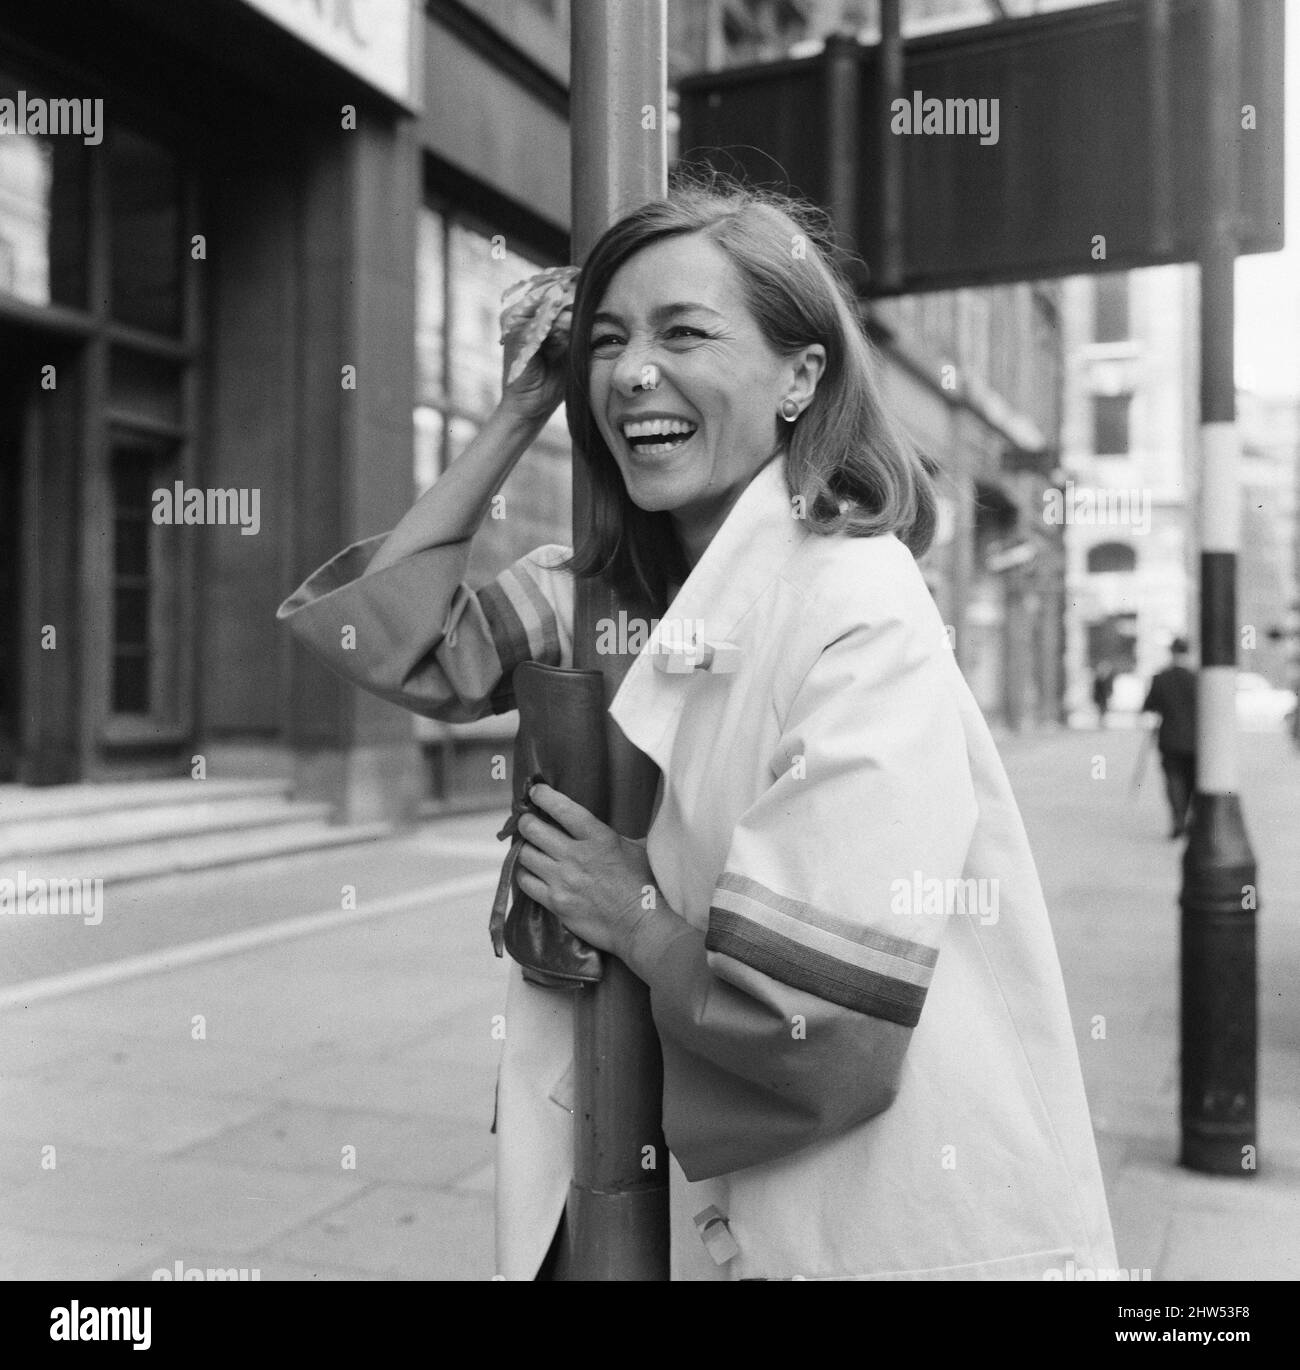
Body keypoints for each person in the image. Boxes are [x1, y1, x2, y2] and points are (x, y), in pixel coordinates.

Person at [278, 180, 1117, 1281]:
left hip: (866, 1212)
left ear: (799, 375)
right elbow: (384, 640)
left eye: (685, 333)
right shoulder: (596, 592)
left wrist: (626, 906)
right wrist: (522, 409)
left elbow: (814, 1020)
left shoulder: (855, 604)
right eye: (608, 340)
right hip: (623, 1151)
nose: (631, 373)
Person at [1142, 637, 1198, 838]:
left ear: (1171, 652)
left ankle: (1178, 818)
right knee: (1191, 782)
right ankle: (1188, 818)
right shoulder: (1196, 678)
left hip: (1170, 739)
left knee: (1174, 780)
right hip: (1195, 742)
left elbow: (1148, 706)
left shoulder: (1161, 678)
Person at [1092, 659, 1115, 727]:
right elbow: (1096, 689)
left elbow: (1108, 688)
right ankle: (1101, 722)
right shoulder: (1099, 679)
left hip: (1103, 697)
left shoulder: (1106, 678)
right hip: (1100, 697)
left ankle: (1102, 722)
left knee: (1103, 710)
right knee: (1102, 710)